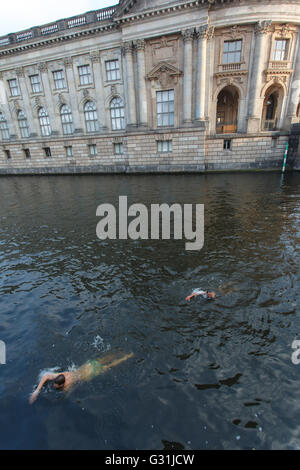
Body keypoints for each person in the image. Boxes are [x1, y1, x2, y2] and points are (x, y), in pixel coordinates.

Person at [29, 351, 134, 404]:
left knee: (110, 366)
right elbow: (47, 376)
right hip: (88, 365)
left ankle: (127, 356)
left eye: (55, 385)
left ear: (61, 384)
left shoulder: (66, 386)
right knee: (104, 359)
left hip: (90, 373)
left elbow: (67, 394)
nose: (53, 385)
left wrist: (63, 397)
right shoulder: (63, 374)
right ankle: (119, 352)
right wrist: (36, 391)